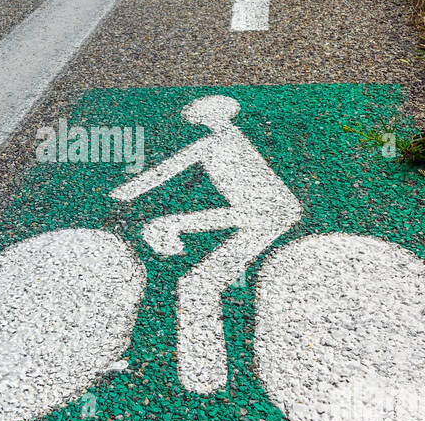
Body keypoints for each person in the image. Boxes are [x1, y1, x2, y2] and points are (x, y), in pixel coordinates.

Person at [111, 96, 302, 394]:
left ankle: (205, 374)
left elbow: (170, 168)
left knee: (198, 283)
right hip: (268, 211)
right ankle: (207, 370)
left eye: (200, 115)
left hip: (267, 213)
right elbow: (173, 168)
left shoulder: (216, 143)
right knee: (198, 282)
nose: (198, 118)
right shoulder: (224, 139)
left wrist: (125, 193)